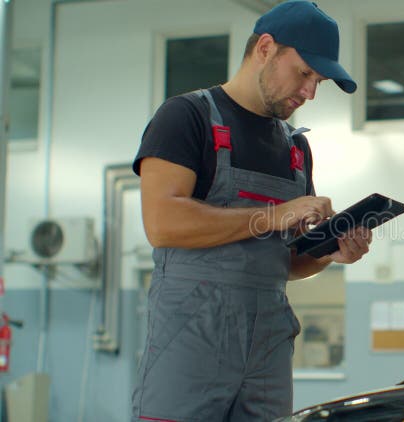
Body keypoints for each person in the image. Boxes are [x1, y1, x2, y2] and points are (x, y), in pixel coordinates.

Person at [130, 1, 371, 420]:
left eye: (318, 82)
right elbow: (162, 223)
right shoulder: (185, 117)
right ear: (265, 48)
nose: (311, 92)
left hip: (267, 347)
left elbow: (284, 262)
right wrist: (274, 216)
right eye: (305, 73)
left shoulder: (295, 148)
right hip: (190, 340)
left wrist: (329, 253)